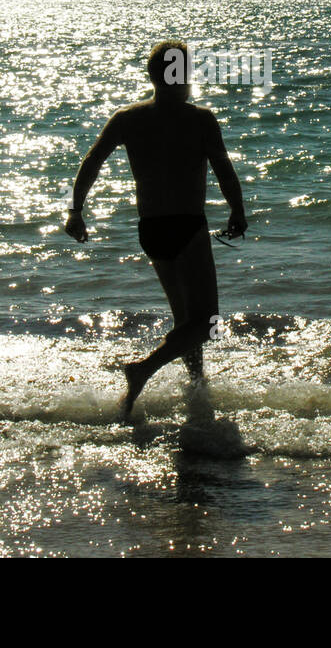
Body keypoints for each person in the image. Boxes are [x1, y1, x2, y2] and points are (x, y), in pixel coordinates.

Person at [64, 41, 247, 419]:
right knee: (206, 321)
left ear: (152, 75)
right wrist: (237, 210)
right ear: (184, 75)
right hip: (187, 225)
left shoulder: (128, 118)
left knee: (186, 321)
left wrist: (75, 211)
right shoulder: (200, 120)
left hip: (151, 229)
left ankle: (198, 392)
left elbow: (91, 162)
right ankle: (142, 369)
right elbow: (224, 169)